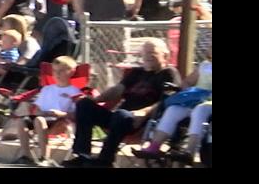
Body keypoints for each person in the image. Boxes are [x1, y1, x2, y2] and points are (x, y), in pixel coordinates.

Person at [62, 39, 181, 167]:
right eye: (145, 53)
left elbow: (167, 100)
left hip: (142, 122)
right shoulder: (137, 72)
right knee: (84, 104)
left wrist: (144, 112)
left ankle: (104, 161)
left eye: (152, 53)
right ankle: (82, 155)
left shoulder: (169, 73)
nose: (147, 56)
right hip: (119, 119)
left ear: (165, 55)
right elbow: (117, 90)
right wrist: (95, 100)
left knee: (121, 115)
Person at [132, 46, 212, 161]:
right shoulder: (205, 65)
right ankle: (154, 147)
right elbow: (188, 81)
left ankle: (190, 151)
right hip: (197, 99)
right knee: (173, 109)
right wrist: (189, 93)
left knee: (200, 110)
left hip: (208, 103)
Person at [14, 55, 83, 167]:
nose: (57, 74)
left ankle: (45, 158)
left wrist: (61, 114)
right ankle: (26, 156)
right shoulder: (47, 89)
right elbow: (38, 107)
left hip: (61, 121)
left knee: (39, 120)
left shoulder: (75, 91)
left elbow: (77, 114)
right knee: (22, 121)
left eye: (61, 71)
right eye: (55, 71)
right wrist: (38, 112)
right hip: (43, 118)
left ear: (71, 72)